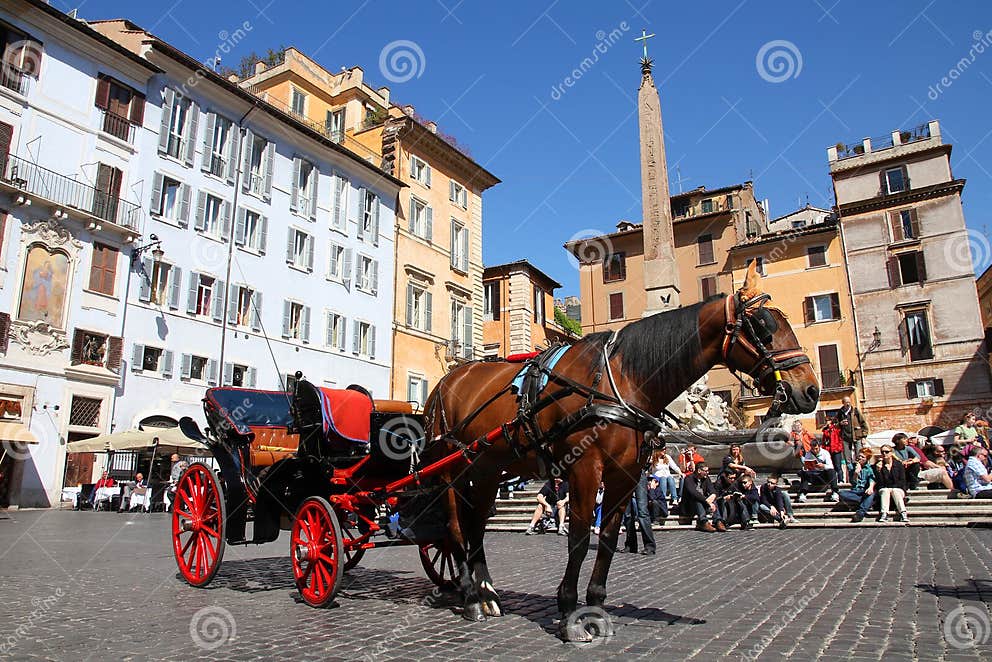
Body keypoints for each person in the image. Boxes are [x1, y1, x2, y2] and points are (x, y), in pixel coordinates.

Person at [680, 463, 727, 532]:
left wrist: (713, 495)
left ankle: (718, 521)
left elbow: (712, 490)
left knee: (713, 500)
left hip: (704, 504)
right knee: (697, 499)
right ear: (699, 471)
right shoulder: (688, 479)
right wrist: (707, 502)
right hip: (690, 506)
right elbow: (694, 493)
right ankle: (703, 522)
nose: (707, 473)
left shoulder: (706, 478)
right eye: (705, 471)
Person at [621, 467, 657, 554]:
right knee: (627, 513)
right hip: (624, 475)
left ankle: (649, 546)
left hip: (639, 473)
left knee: (642, 511)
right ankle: (631, 545)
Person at [839, 448, 876, 523]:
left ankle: (860, 513)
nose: (860, 458)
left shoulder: (869, 468)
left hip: (864, 491)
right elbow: (853, 483)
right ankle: (866, 502)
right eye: (859, 456)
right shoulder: (852, 467)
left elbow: (872, 479)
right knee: (841, 493)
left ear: (867, 459)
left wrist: (870, 487)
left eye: (863, 457)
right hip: (855, 491)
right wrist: (856, 473)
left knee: (872, 494)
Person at [875, 444, 909, 522]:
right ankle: (884, 513)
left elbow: (902, 480)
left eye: (886, 452)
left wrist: (892, 488)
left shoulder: (898, 464)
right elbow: (880, 482)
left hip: (898, 488)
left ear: (891, 453)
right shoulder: (878, 465)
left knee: (895, 491)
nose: (884, 454)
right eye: (882, 452)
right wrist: (878, 471)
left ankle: (903, 513)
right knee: (885, 490)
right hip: (884, 488)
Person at [837, 395, 868, 460]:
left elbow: (863, 423)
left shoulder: (855, 411)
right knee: (847, 457)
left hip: (857, 436)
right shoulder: (840, 413)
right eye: (846, 402)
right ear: (843, 403)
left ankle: (859, 468)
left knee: (859, 455)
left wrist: (864, 436)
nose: (848, 404)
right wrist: (840, 423)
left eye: (849, 402)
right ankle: (850, 468)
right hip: (845, 437)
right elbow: (835, 424)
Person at [821, 417, 847, 483]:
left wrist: (839, 447)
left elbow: (840, 437)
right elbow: (824, 440)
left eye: (828, 420)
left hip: (836, 449)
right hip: (828, 450)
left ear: (831, 421)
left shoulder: (836, 428)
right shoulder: (825, 430)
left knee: (838, 466)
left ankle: (841, 480)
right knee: (830, 466)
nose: (827, 421)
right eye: (826, 420)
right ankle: (833, 480)